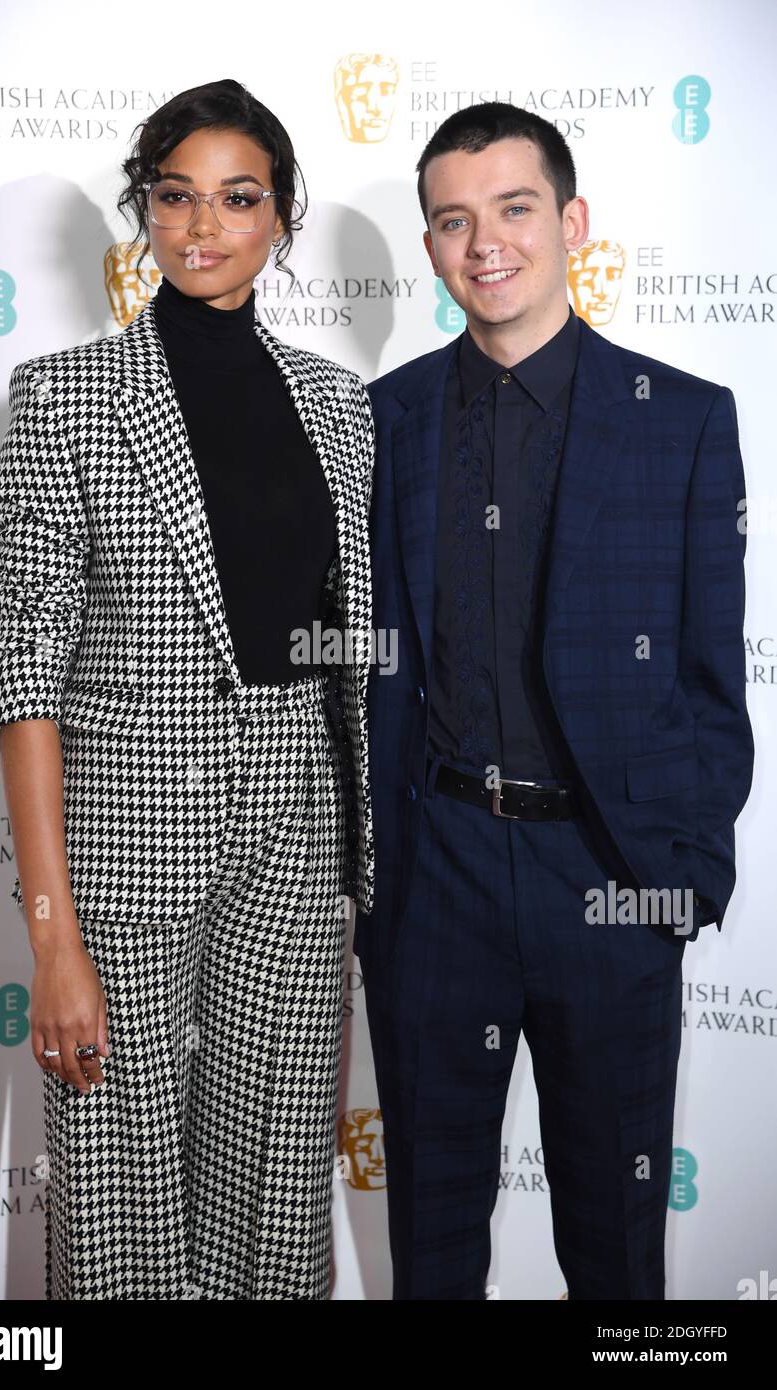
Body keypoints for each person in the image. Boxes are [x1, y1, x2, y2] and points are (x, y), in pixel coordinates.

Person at [0, 77, 375, 1301]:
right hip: (127, 843)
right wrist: (53, 939)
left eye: (237, 198)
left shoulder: (340, 409)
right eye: (175, 196)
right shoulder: (64, 396)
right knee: (115, 1191)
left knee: (277, 1184)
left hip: (298, 835)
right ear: (142, 211)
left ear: (280, 216)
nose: (203, 225)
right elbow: (24, 673)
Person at [354, 101, 753, 1300]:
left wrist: (678, 876)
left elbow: (709, 677)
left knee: (617, 1253)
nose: (486, 243)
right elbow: (368, 661)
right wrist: (380, 879)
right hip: (436, 881)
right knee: (429, 1248)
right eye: (452, 220)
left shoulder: (681, 419)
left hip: (610, 876)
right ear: (428, 247)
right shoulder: (385, 419)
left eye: (514, 208)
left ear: (570, 220)